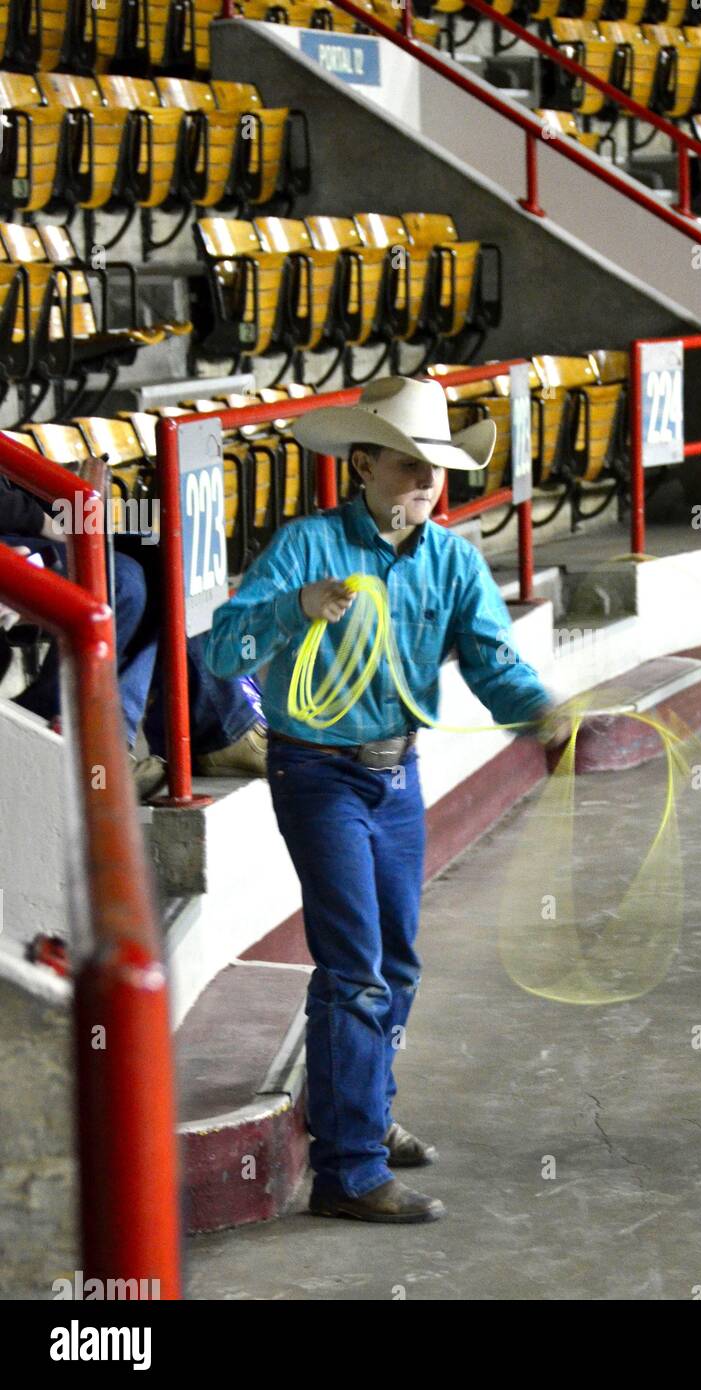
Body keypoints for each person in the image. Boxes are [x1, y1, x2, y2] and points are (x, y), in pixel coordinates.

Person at [205, 375, 570, 1225]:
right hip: (317, 770)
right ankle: (350, 1166)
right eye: (409, 465)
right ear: (363, 463)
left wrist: (547, 716)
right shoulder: (305, 547)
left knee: (392, 961)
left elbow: (492, 663)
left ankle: (357, 1110)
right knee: (357, 963)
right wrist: (298, 607)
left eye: (434, 469)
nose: (424, 483)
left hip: (397, 770)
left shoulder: (450, 560)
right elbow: (224, 652)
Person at [0, 476, 265, 797]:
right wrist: (49, 522)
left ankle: (222, 735)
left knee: (162, 551)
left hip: (25, 528)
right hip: (18, 538)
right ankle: (79, 740)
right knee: (121, 581)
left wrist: (70, 511)